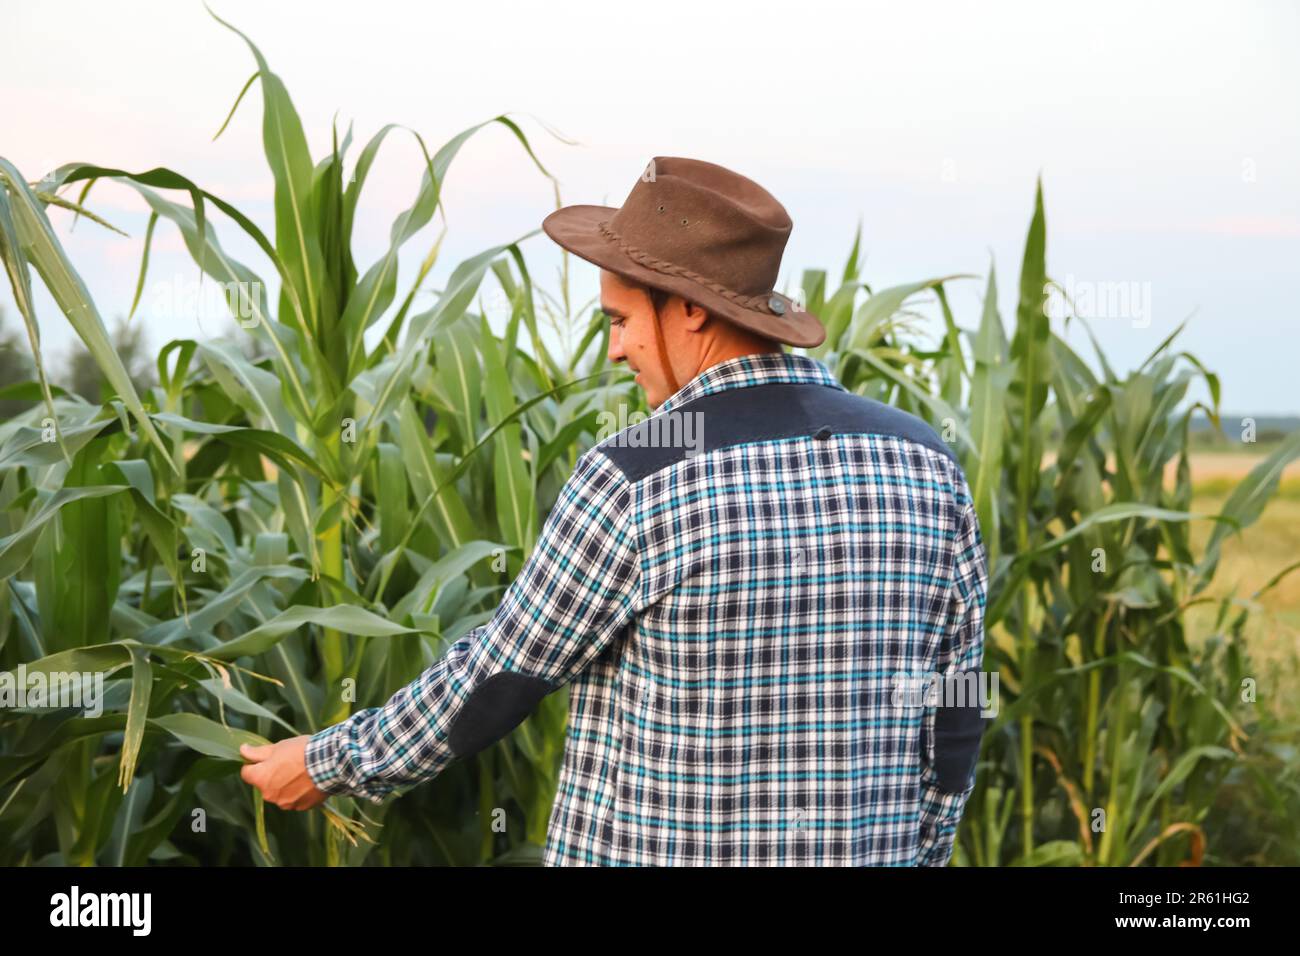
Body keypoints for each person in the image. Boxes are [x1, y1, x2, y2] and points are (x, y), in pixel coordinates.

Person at [240, 156, 990, 866]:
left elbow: (502, 674)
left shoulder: (641, 476)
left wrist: (329, 760)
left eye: (621, 320)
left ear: (691, 310)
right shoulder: (928, 464)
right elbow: (956, 717)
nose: (614, 350)